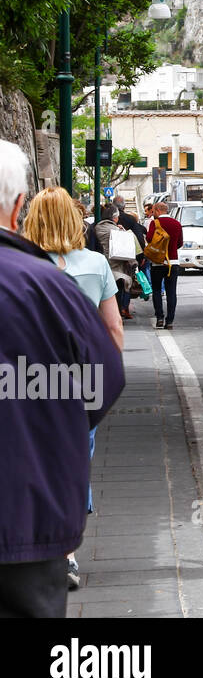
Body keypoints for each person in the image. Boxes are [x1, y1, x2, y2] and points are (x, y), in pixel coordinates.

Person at [0, 144, 124, 616]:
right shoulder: (51, 281)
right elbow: (108, 369)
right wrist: (62, 411)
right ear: (16, 206)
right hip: (29, 522)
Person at [145, 200, 184, 330]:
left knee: (157, 290)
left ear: (157, 211)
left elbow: (149, 239)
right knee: (171, 292)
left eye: (154, 211)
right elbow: (180, 243)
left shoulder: (154, 223)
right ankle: (170, 321)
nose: (153, 214)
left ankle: (160, 317)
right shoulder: (177, 224)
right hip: (173, 262)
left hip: (157, 262)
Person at [94, 205, 134, 320]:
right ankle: (115, 314)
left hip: (101, 263)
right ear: (114, 218)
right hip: (116, 264)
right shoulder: (116, 230)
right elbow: (126, 247)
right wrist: (122, 231)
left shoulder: (97, 227)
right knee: (116, 290)